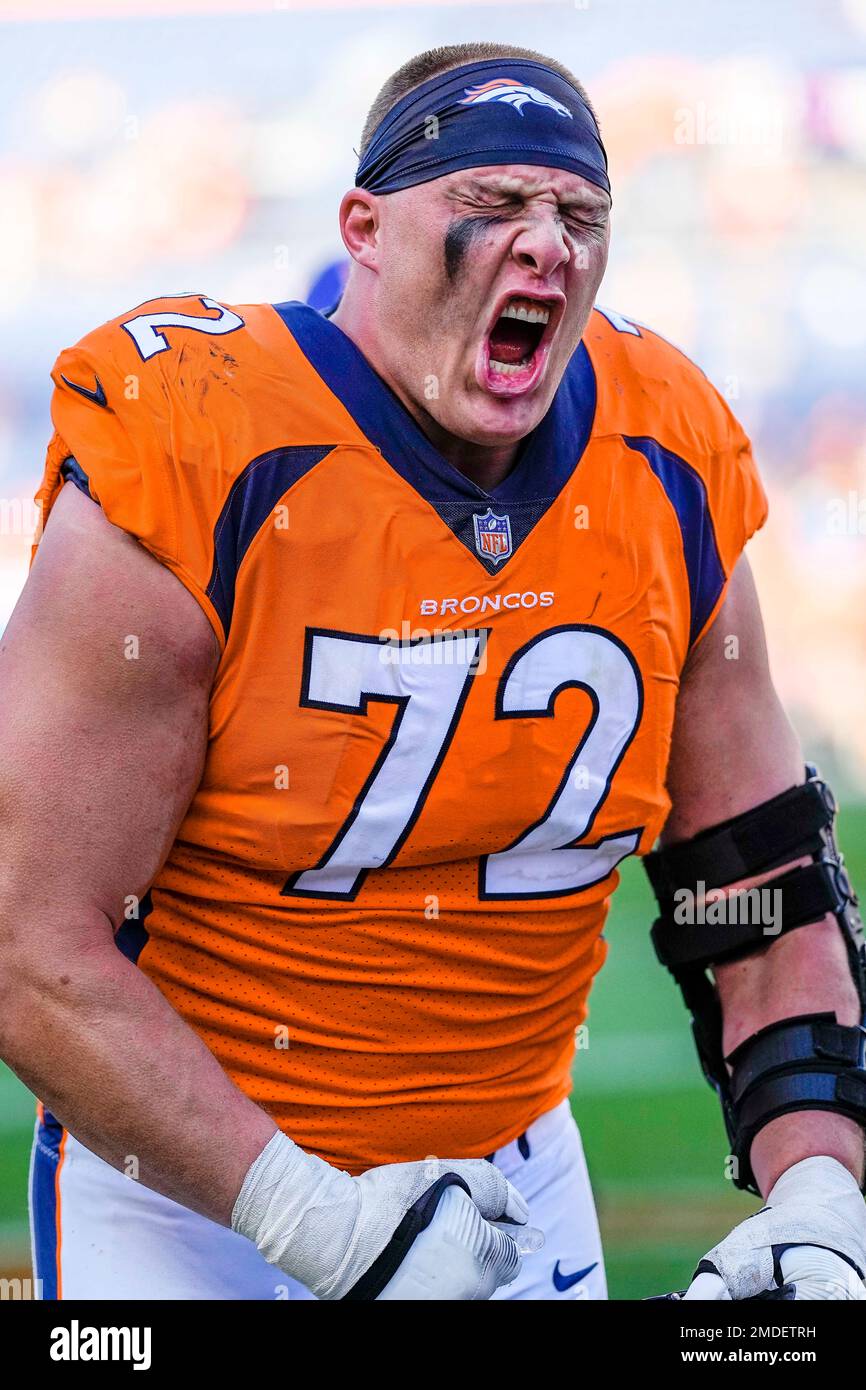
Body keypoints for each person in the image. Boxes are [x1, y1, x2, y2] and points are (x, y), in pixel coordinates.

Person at [2, 41, 865, 1302]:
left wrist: (819, 1192)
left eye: (577, 214)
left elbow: (754, 893)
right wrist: (316, 1220)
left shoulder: (664, 457)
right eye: (491, 201)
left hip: (508, 1182)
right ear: (362, 228)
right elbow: (28, 941)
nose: (545, 243)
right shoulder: (201, 449)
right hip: (194, 1195)